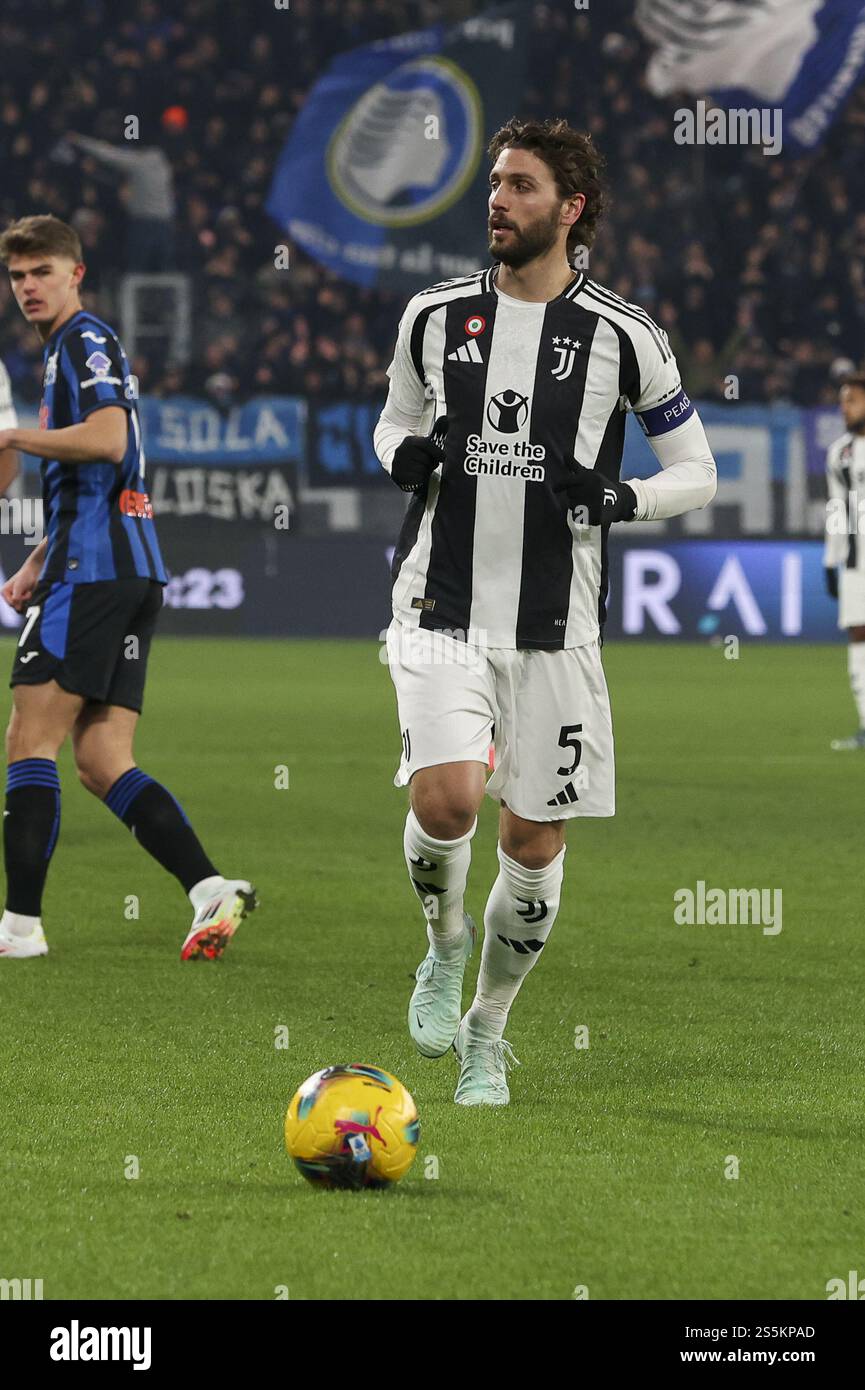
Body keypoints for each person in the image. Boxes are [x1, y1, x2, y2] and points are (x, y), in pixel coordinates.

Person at [373, 118, 717, 1106]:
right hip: (440, 607)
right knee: (444, 800)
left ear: (568, 209)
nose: (496, 200)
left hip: (556, 627)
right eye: (493, 183)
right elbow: (394, 416)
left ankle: (488, 1028)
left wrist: (622, 498)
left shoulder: (623, 333)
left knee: (531, 840)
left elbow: (695, 470)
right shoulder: (433, 316)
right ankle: (442, 945)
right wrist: (397, 452)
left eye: (519, 186)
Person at [0, 214, 256, 960]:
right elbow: (104, 473)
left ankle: (19, 927)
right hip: (125, 567)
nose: (27, 288)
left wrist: (13, 437)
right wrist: (34, 560)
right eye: (17, 277)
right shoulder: (75, 352)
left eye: (41, 272)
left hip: (96, 574)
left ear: (75, 273)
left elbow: (109, 439)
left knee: (28, 740)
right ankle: (210, 887)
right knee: (102, 758)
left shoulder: (81, 341)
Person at [824, 373, 865, 749]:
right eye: (842, 401)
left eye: (851, 400)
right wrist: (830, 559)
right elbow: (837, 507)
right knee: (858, 634)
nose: (845, 408)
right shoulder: (840, 453)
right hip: (857, 561)